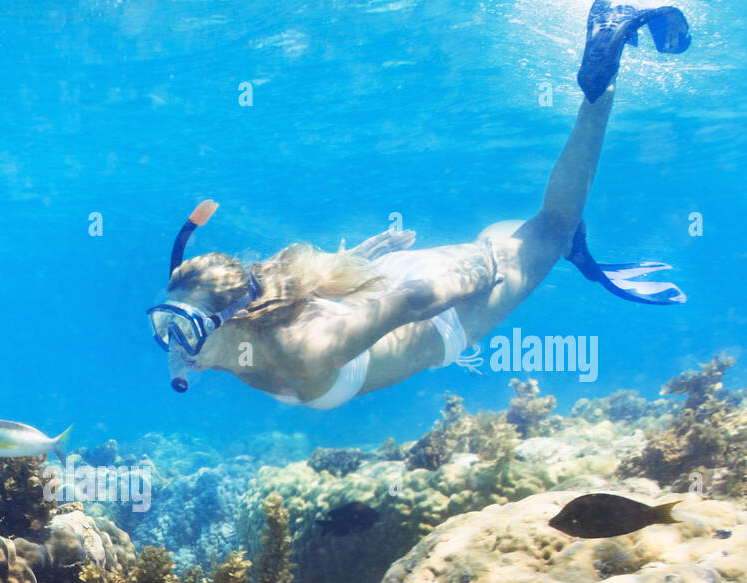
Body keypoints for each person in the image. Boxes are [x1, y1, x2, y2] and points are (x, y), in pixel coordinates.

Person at [147, 1, 690, 405]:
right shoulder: (251, 310)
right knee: (519, 230)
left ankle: (600, 88)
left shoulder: (298, 349)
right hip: (392, 279)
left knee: (549, 226)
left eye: (184, 328)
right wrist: (357, 261)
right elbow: (289, 300)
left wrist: (479, 275)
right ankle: (564, 245)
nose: (174, 344)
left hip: (438, 312)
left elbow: (407, 304)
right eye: (166, 326)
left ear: (234, 317)